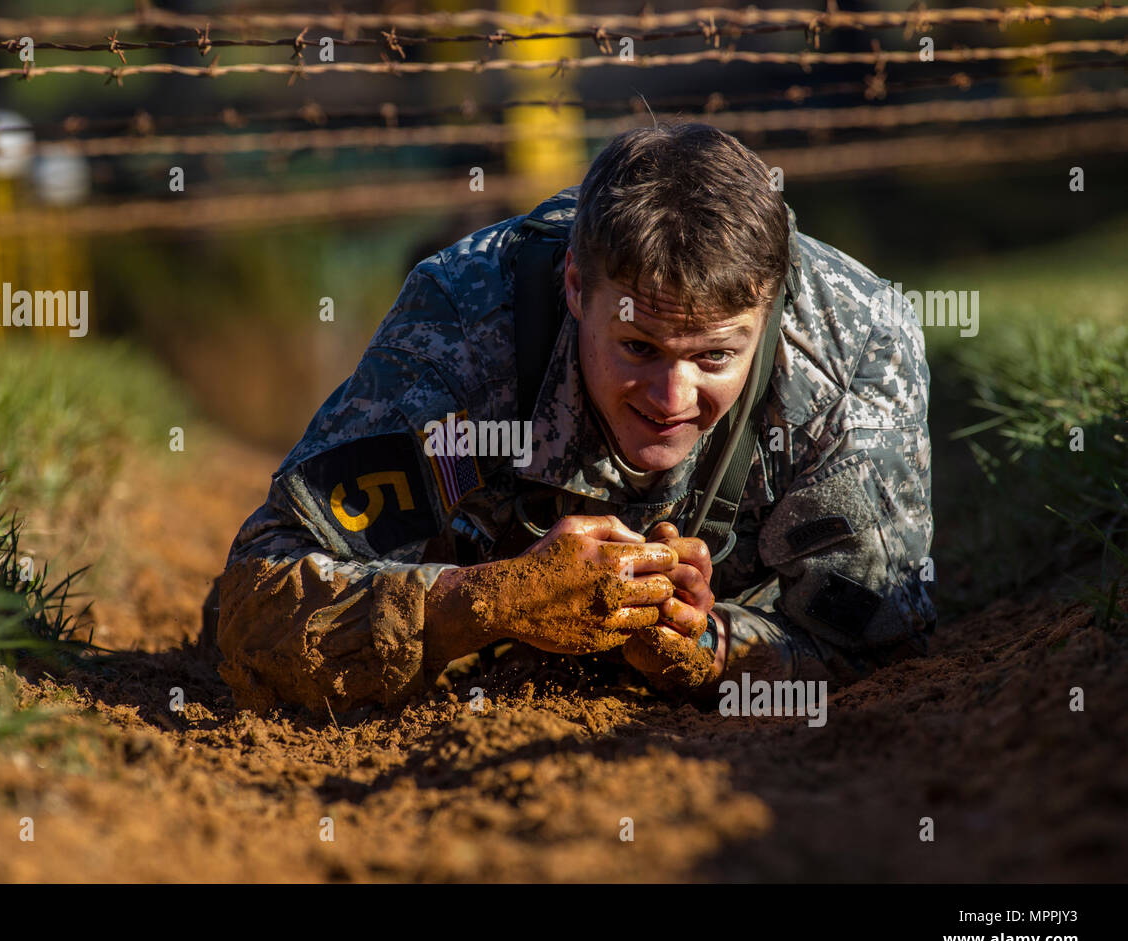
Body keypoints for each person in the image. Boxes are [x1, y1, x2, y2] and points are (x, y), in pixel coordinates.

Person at [209, 123, 936, 714]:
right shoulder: (467, 324)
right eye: (638, 347)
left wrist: (707, 648)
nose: (671, 396)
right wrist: (491, 602)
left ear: (770, 308)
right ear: (576, 288)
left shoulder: (856, 350)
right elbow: (253, 608)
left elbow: (881, 649)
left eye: (715, 355)